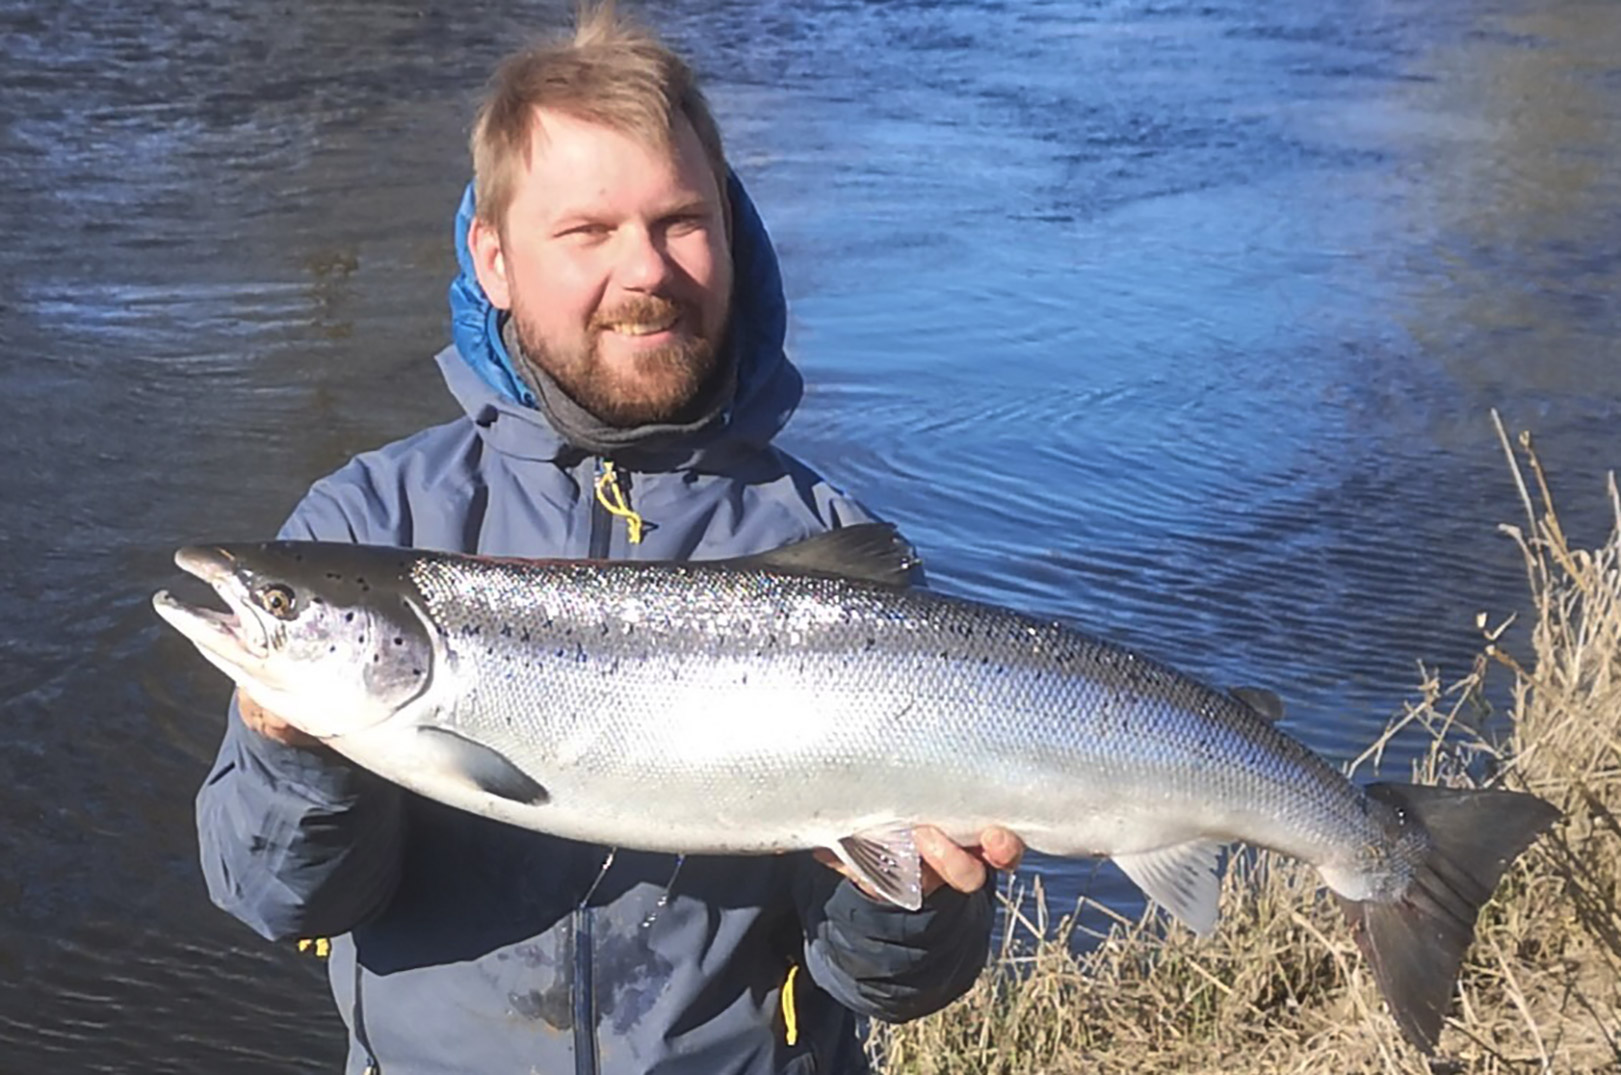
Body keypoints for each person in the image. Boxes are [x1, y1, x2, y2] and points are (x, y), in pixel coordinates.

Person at [196, 6, 1024, 1074]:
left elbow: (884, 986)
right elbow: (275, 899)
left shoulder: (831, 551)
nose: (646, 271)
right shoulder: (366, 524)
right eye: (586, 232)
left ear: (730, 235)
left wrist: (908, 899)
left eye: (680, 220)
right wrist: (290, 745)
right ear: (491, 260)